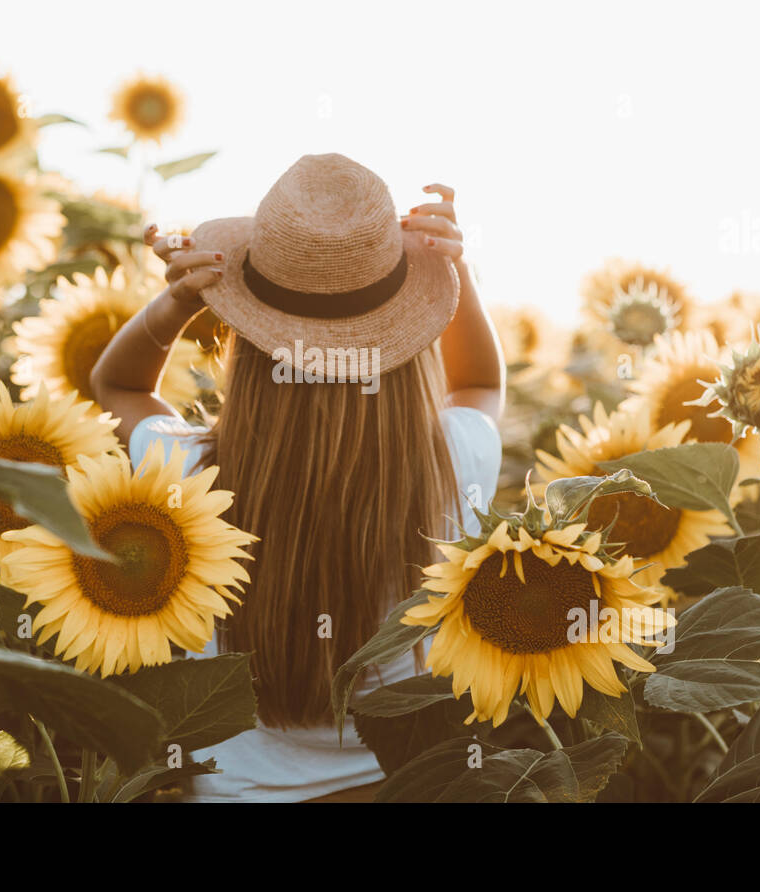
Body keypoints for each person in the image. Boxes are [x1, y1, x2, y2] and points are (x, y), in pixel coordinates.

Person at [91, 153, 504, 801]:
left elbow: (116, 384)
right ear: (408, 342)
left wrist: (172, 308)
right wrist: (457, 274)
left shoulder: (185, 477)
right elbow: (479, 383)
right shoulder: (455, 464)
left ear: (249, 349)